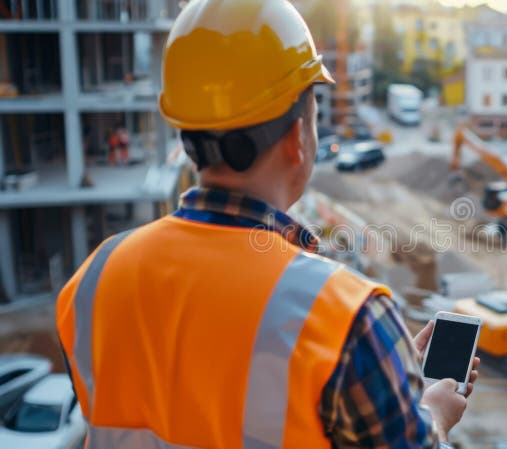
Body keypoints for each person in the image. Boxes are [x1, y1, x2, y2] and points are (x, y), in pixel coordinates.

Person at [55, 1, 478, 448]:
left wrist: (381, 374)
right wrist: (432, 413)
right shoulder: (347, 318)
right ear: (299, 137)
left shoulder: (93, 279)